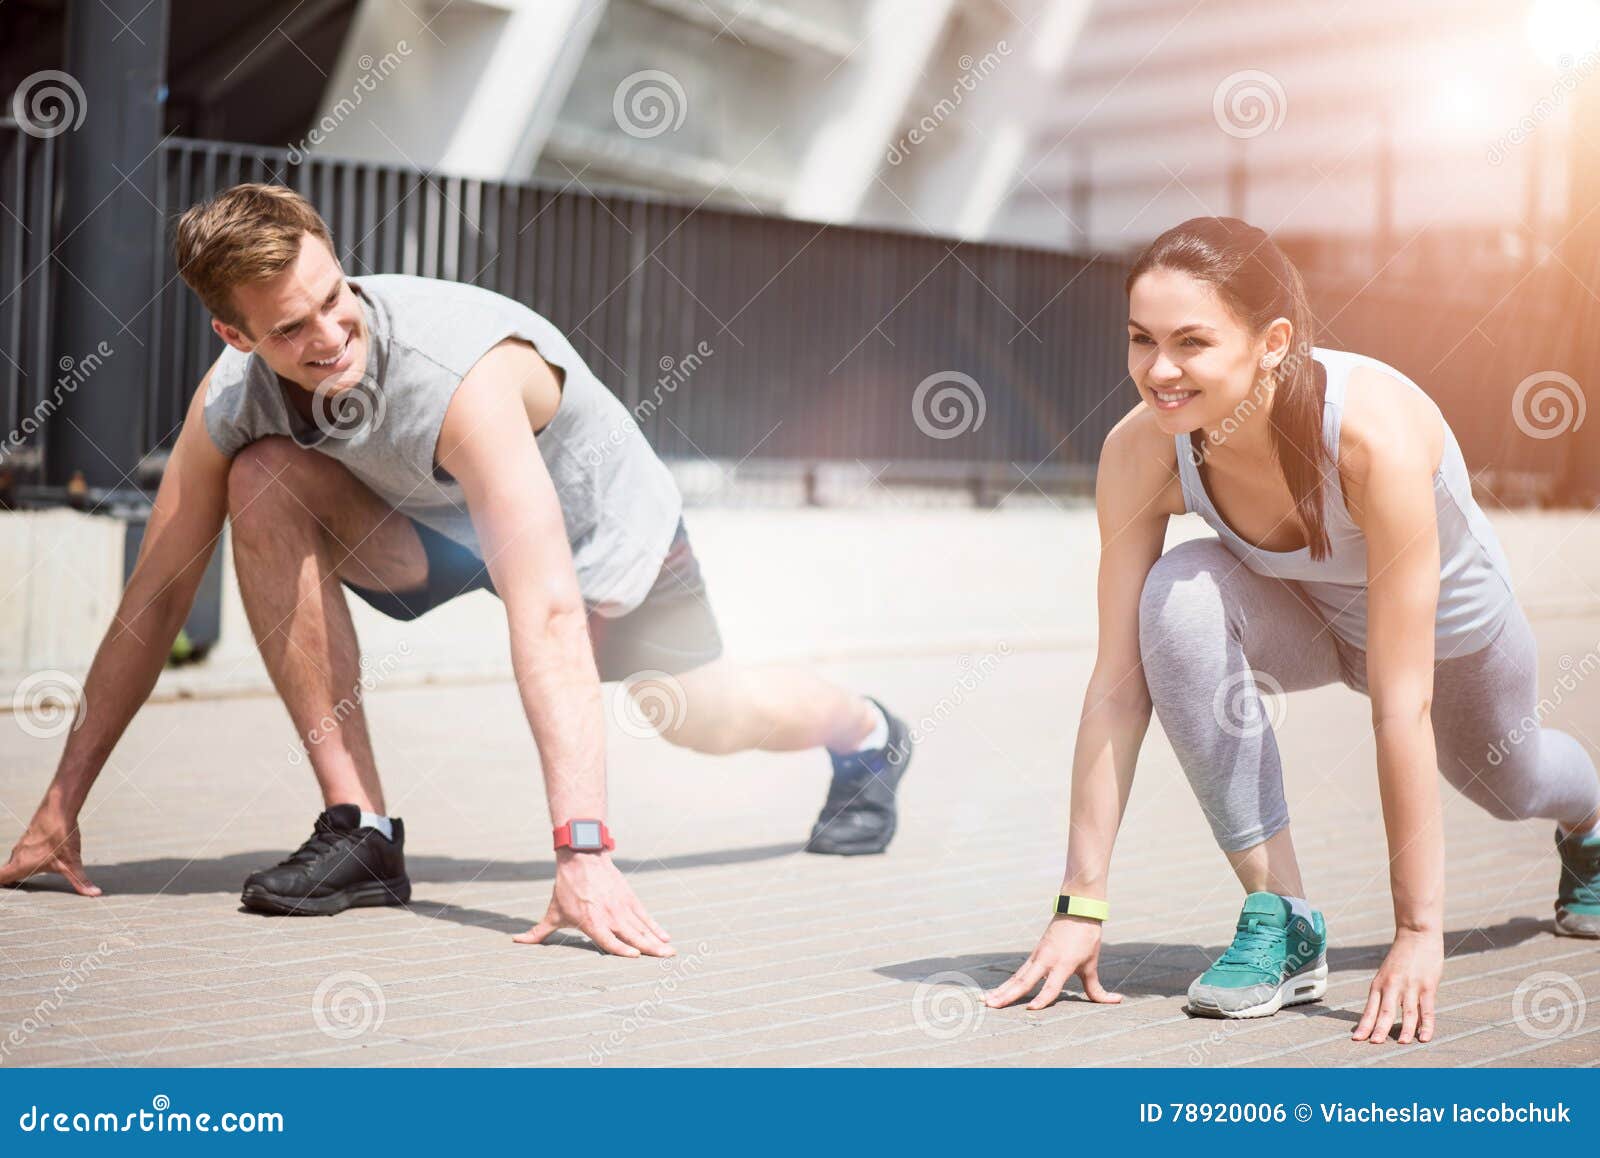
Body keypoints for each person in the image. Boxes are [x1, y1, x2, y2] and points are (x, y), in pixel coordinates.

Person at [0, 184, 914, 956]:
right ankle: (361, 831)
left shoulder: (457, 373)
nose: (329, 334)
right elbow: (154, 598)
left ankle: (868, 733)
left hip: (595, 538)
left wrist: (582, 852)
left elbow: (548, 611)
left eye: (333, 295)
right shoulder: (233, 401)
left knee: (704, 718)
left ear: (335, 257)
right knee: (264, 475)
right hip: (428, 524)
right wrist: (60, 804)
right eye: (290, 327)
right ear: (235, 335)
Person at [984, 216, 1600, 1045]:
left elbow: (1400, 706)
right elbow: (1117, 686)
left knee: (1512, 783)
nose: (1158, 371)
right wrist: (1078, 905)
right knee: (1175, 597)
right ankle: (1281, 914)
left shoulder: (1370, 432)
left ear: (1272, 341)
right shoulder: (1141, 451)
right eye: (1140, 340)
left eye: (1192, 342)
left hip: (1449, 645)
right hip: (1305, 619)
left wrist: (1418, 935)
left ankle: (1591, 823)